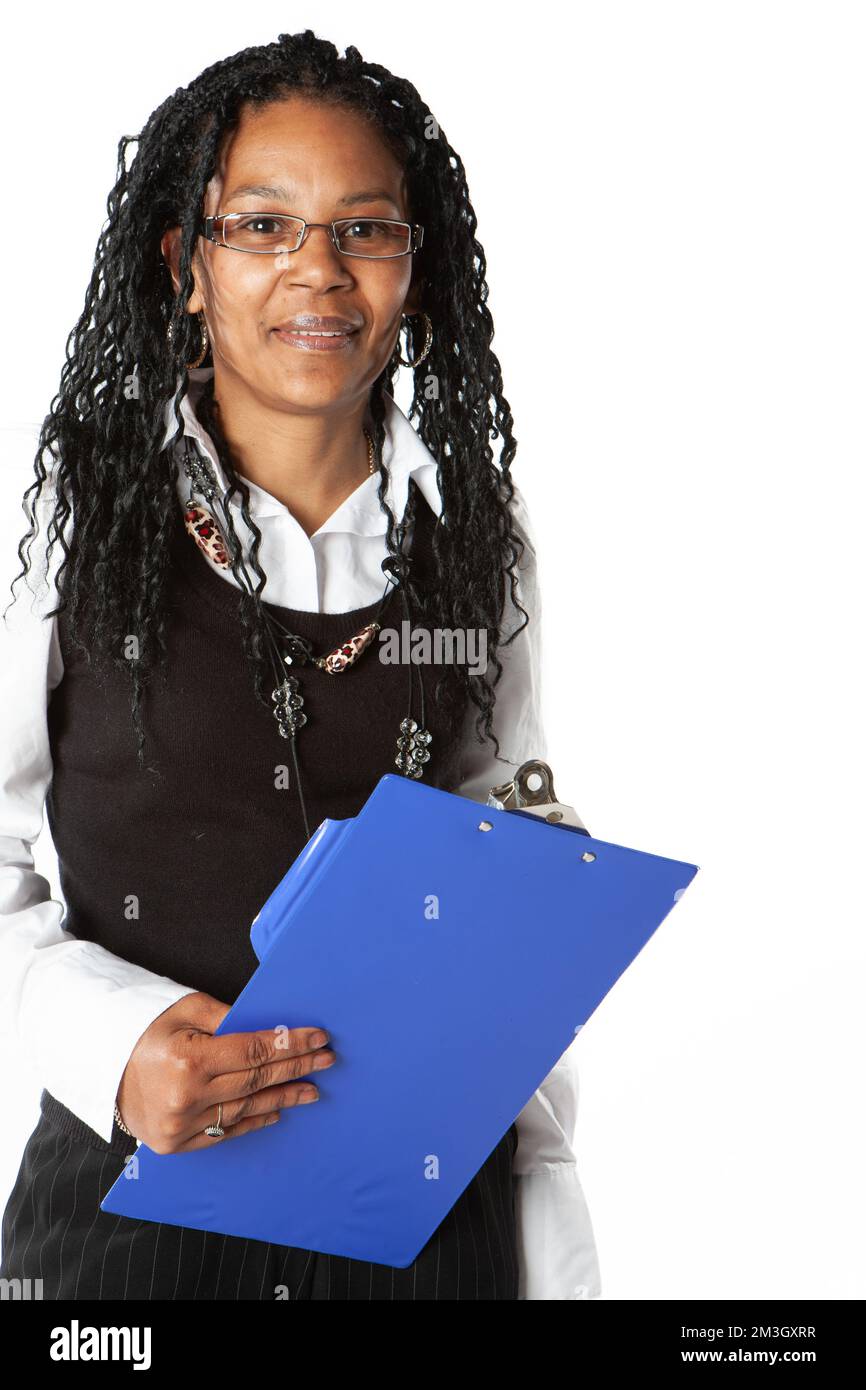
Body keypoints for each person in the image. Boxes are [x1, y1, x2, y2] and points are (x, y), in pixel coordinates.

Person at [0, 28, 600, 1300]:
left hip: (428, 1241)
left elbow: (511, 873)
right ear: (185, 265)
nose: (316, 273)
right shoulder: (68, 534)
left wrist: (549, 1247)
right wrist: (108, 1041)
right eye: (263, 226)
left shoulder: (479, 546)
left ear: (416, 273)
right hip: (127, 1236)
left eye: (364, 229)